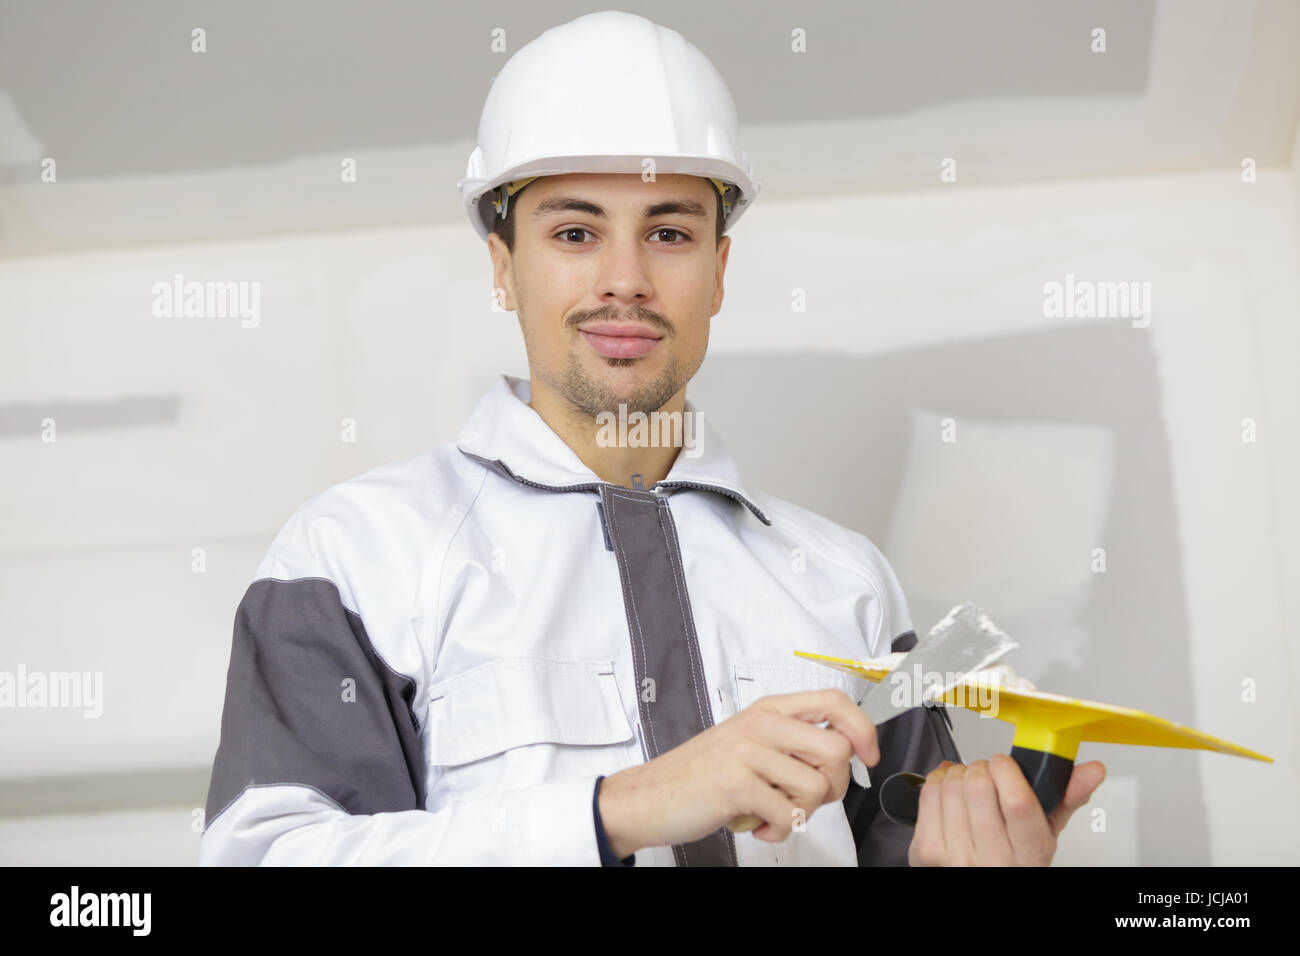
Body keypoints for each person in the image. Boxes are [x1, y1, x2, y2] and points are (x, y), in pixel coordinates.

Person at [200, 10, 1103, 867]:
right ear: (504, 266)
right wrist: (619, 809)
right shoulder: (359, 555)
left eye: (669, 231)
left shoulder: (849, 585)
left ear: (718, 271)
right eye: (575, 230)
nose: (625, 280)